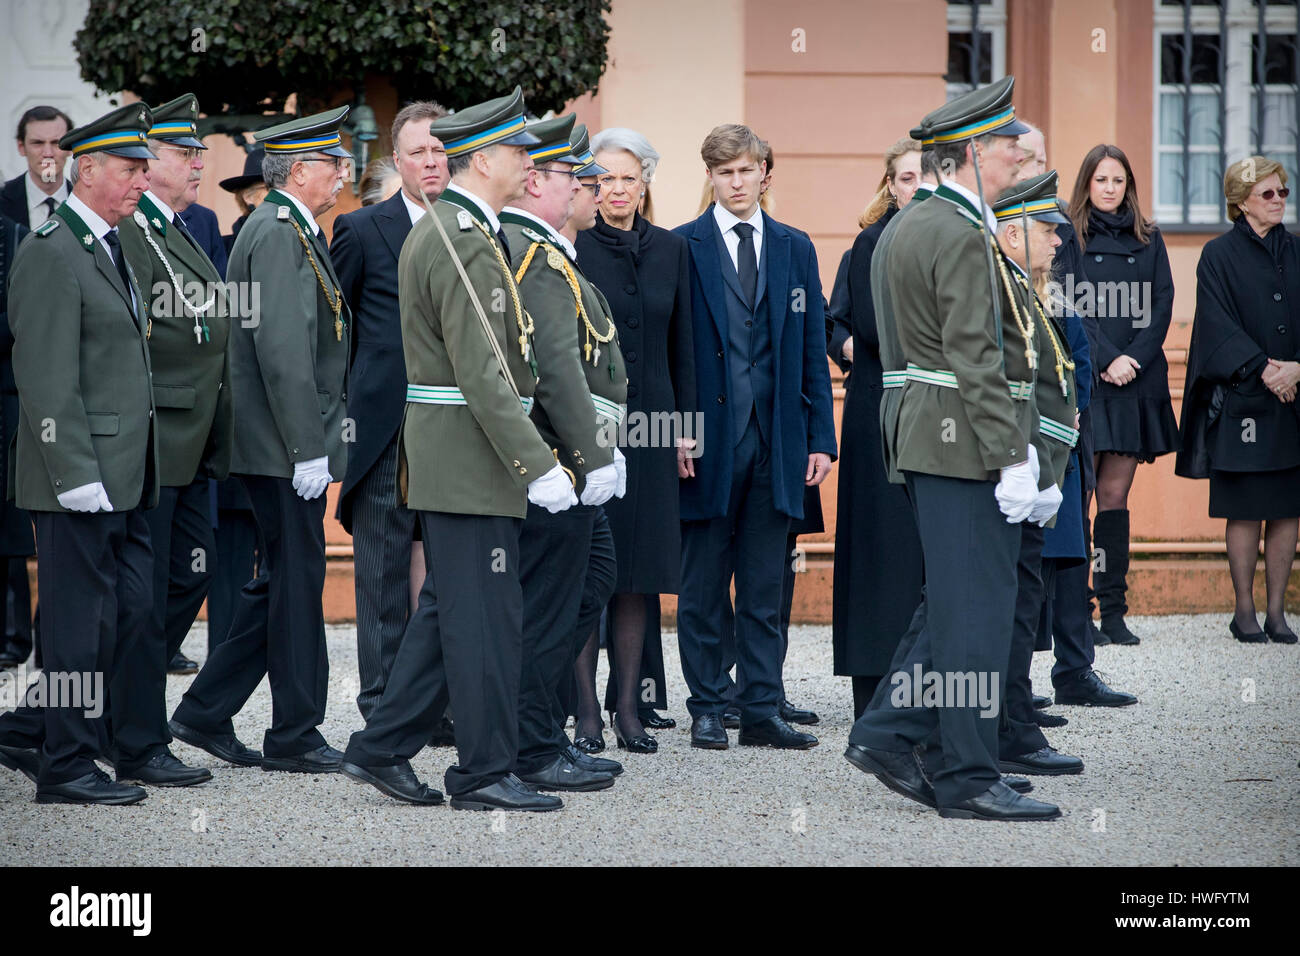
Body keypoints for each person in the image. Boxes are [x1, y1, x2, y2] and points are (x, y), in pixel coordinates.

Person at [339, 88, 567, 812]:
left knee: (447, 614)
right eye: (520, 152)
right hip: (469, 460)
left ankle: (379, 747)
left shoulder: (464, 229)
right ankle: (482, 772)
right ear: (488, 158)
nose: (528, 163)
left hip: (464, 457)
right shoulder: (460, 238)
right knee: (483, 623)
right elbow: (484, 372)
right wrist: (539, 464)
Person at [844, 77, 1063, 821]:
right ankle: (966, 774)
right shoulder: (963, 232)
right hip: (962, 437)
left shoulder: (910, 223)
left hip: (924, 431)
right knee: (973, 613)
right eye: (1007, 151)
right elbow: (976, 353)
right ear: (970, 153)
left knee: (951, 607)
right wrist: (1011, 453)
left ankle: (907, 738)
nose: (1016, 164)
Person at [169, 106, 354, 775]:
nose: (342, 173)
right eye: (333, 163)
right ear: (300, 170)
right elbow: (281, 351)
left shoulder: (289, 228)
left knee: (279, 583)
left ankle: (204, 712)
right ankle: (296, 734)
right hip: (282, 446)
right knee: (298, 587)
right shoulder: (279, 233)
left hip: (281, 443)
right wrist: (309, 447)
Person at [0, 103, 160, 804]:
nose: (141, 182)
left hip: (122, 474)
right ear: (85, 169)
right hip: (79, 477)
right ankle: (63, 766)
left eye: (143, 169)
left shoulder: (107, 243)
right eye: (129, 169)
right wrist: (70, 472)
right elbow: (43, 375)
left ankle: (76, 743)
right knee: (74, 626)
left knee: (121, 614)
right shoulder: (51, 249)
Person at [673, 123, 836, 752]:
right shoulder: (682, 246)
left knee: (766, 582)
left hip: (779, 442)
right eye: (724, 172)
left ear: (766, 172)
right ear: (710, 177)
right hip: (708, 444)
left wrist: (821, 437)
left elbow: (812, 353)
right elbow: (674, 352)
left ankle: (762, 707)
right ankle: (708, 707)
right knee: (704, 582)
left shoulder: (796, 249)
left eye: (746, 171)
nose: (736, 183)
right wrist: (680, 431)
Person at [501, 114, 629, 784]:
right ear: (538, 184)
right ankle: (531, 744)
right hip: (556, 462)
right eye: (576, 177)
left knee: (589, 582)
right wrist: (594, 455)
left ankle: (537, 727)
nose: (590, 189)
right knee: (552, 600)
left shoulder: (549, 253)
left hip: (573, 459)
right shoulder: (533, 254)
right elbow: (554, 367)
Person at [114, 94, 232, 787]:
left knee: (189, 572)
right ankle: (135, 733)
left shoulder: (176, 226)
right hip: (156, 437)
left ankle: (88, 718)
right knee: (143, 591)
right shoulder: (136, 230)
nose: (199, 164)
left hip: (191, 440)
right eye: (186, 154)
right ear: (148, 162)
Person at [570, 127, 695, 749]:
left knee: (639, 573)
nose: (616, 190)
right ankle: (585, 711)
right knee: (589, 572)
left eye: (627, 178)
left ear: (646, 183)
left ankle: (629, 709)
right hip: (590, 429)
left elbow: (686, 350)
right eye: (602, 179)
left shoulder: (673, 250)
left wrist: (685, 435)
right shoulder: (573, 246)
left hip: (655, 431)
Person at [331, 100, 448, 726]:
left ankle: (435, 705)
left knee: (448, 576)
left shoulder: (475, 230)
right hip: (383, 437)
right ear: (397, 162)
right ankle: (381, 710)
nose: (430, 162)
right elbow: (338, 333)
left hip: (458, 436)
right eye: (418, 153)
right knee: (381, 577)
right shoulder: (362, 230)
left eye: (439, 150)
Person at [1017, 124, 1137, 710]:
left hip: (1065, 427)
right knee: (1018, 563)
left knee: (1069, 549)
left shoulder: (1058, 229)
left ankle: (1074, 668)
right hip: (1014, 431)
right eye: (1030, 156)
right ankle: (1014, 689)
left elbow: (1078, 337)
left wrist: (1077, 411)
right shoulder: (991, 230)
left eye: (1042, 156)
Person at [1177, 156, 1300, 645]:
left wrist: (1297, 368)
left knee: (1288, 508)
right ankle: (1244, 611)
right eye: (1267, 194)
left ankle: (1277, 613)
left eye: (1283, 192)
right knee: (1246, 507)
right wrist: (1265, 369)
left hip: (1294, 401)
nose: (1278, 201)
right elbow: (1215, 325)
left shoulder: (1297, 251)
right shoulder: (1217, 255)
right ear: (1241, 201)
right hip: (1244, 400)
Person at [986, 170, 1084, 779]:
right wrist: (1021, 465)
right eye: (1048, 231)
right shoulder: (1004, 287)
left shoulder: (1024, 285)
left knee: (1024, 605)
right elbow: (1005, 382)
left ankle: (1012, 724)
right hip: (1013, 470)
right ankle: (1006, 731)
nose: (1057, 241)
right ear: (1015, 232)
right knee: (1011, 607)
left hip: (1038, 466)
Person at [830, 137, 926, 719]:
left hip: (928, 417)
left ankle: (918, 687)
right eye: (906, 179)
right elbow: (869, 327)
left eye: (924, 178)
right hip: (878, 419)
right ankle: (874, 688)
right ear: (891, 186)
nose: (916, 189)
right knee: (878, 552)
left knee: (919, 554)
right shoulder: (873, 244)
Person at [1068, 144, 1179, 646]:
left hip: (1137, 378)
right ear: (1086, 185)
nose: (1110, 188)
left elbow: (1161, 303)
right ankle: (1077, 612)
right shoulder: (1068, 236)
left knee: (1114, 497)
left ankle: (1113, 612)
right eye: (1101, 180)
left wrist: (1132, 357)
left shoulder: (1149, 237)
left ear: (1128, 185)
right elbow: (1069, 305)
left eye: (1118, 180)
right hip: (1089, 379)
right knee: (1081, 496)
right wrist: (1107, 356)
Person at [0, 210, 35, 673]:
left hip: (6, 398)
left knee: (9, 525)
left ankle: (15, 633)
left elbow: (24, 315)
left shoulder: (16, 237)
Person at [1, 105, 73, 228]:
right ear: (21, 147)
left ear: (70, 147)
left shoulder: (89, 204)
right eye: (37, 143)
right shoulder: (2, 201)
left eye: (56, 143)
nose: (48, 153)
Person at [218, 145, 267, 255]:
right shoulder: (221, 249)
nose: (279, 195)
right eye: (269, 188)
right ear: (248, 197)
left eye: (283, 188)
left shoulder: (303, 240)